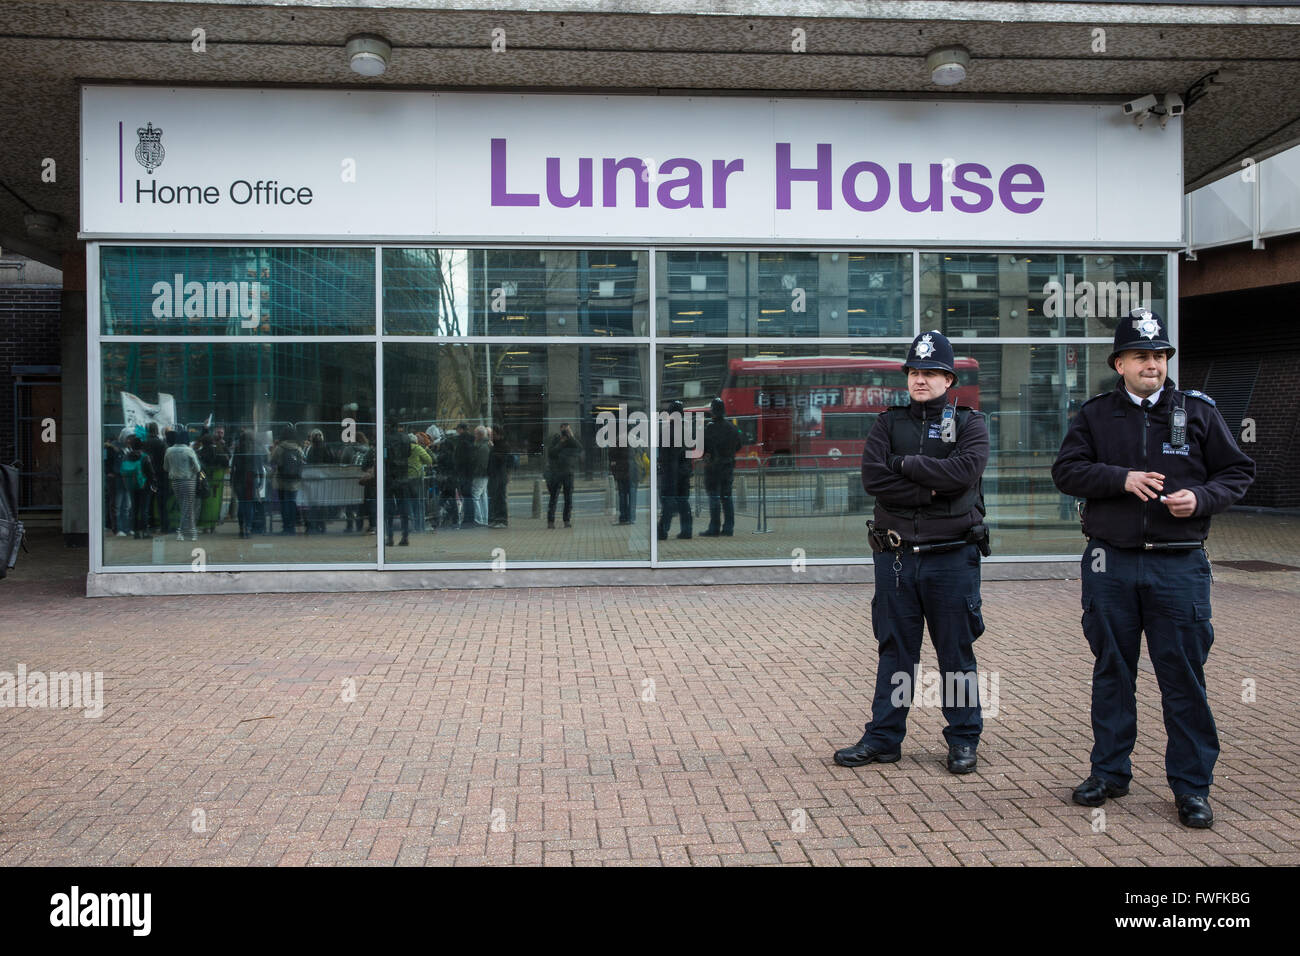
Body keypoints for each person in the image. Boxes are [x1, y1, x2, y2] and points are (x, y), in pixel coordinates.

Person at [1051, 308, 1254, 829]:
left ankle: (1192, 788)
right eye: (1141, 356)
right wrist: (1120, 479)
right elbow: (1066, 471)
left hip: (1178, 566)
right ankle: (1109, 773)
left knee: (1183, 678)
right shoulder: (1096, 415)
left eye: (1160, 356)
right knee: (1112, 673)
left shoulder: (1199, 412)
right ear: (1119, 363)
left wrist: (1202, 498)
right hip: (1110, 564)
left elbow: (1236, 472)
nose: (1153, 365)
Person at [834, 329, 990, 776]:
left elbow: (964, 474)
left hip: (952, 557)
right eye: (915, 372)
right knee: (895, 652)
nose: (921, 380)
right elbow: (873, 480)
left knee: (955, 653)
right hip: (897, 557)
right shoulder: (887, 423)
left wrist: (906, 466)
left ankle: (963, 739)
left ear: (948, 379)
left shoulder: (971, 424)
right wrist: (935, 487)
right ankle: (884, 739)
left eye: (932, 373)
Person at [700, 397, 743, 537]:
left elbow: (703, 447)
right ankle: (728, 528)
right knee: (727, 497)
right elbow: (739, 445)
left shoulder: (710, 428)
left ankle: (714, 527)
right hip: (728, 465)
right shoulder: (732, 427)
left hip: (713, 467)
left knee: (714, 496)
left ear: (713, 411)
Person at [656, 401, 693, 540]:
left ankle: (663, 530)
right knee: (684, 502)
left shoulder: (666, 431)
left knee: (668, 503)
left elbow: (664, 456)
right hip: (684, 472)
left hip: (671, 473)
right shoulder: (687, 431)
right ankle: (687, 530)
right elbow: (689, 454)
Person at [163, 429, 203, 542]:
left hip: (175, 481)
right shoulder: (189, 450)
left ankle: (189, 532)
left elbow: (165, 467)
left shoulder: (169, 450)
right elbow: (198, 468)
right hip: (188, 480)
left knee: (184, 506)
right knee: (187, 507)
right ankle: (182, 532)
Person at [545, 422, 582, 529]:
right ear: (560, 429)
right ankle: (550, 521)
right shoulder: (556, 439)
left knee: (568, 498)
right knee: (553, 498)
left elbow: (580, 448)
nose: (565, 431)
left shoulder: (572, 441)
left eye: (567, 429)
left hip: (568, 472)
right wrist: (561, 442)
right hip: (556, 472)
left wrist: (571, 437)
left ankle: (567, 520)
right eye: (564, 429)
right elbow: (551, 453)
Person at [269, 426, 305, 536]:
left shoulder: (280, 447)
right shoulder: (298, 448)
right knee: (292, 502)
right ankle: (292, 527)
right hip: (295, 481)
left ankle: (286, 527)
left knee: (284, 503)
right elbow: (303, 461)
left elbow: (272, 460)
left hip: (282, 480)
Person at [229, 428, 263, 539]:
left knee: (241, 503)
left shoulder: (238, 448)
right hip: (250, 478)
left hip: (239, 478)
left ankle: (241, 527)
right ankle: (248, 527)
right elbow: (260, 467)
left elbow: (233, 465)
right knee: (249, 504)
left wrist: (231, 480)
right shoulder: (255, 449)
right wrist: (261, 481)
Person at [125, 434, 156, 540]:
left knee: (134, 508)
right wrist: (153, 483)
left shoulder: (127, 456)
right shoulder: (145, 457)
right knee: (144, 509)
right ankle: (145, 532)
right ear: (141, 445)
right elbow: (150, 472)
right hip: (144, 485)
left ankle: (136, 532)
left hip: (131, 485)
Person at [144, 423, 169, 533]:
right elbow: (166, 459)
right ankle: (164, 526)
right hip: (161, 475)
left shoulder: (144, 443)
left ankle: (150, 525)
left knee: (147, 502)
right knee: (161, 503)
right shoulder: (161, 443)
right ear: (157, 430)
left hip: (147, 475)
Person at [488, 425, 512, 528]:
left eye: (493, 434)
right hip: (494, 474)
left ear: (499, 435)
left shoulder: (503, 445)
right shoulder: (495, 446)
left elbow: (503, 459)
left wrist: (493, 452)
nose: (492, 436)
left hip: (500, 475)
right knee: (495, 498)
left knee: (500, 497)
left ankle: (502, 519)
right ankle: (496, 518)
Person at [471, 426, 491, 527]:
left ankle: (479, 519)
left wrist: (476, 472)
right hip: (484, 474)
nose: (474, 436)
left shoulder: (482, 447)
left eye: (476, 434)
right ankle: (484, 518)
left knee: (476, 495)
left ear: (480, 435)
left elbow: (481, 463)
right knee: (483, 495)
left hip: (480, 474)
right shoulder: (485, 445)